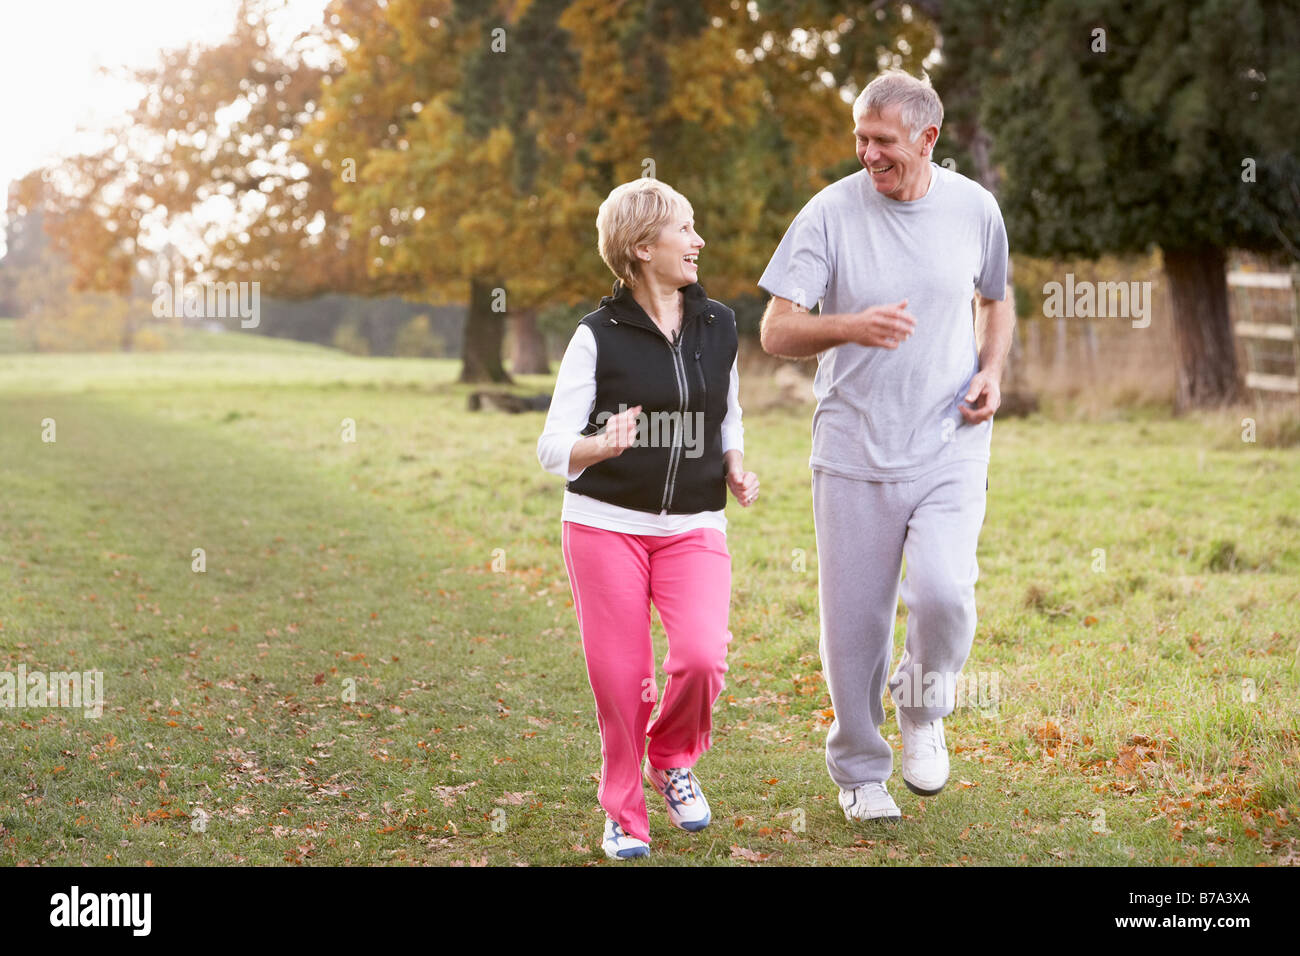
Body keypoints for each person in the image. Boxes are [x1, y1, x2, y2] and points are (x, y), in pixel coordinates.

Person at [757, 69, 1014, 822]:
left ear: (927, 139)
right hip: (854, 447)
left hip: (950, 440)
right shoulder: (829, 214)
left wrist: (992, 370)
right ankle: (861, 771)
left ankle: (922, 706)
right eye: (859, 138)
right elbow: (775, 329)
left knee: (945, 594)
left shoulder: (975, 208)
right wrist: (849, 325)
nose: (867, 154)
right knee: (855, 623)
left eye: (882, 140)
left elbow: (995, 299)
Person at [537, 178, 760, 860]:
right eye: (684, 229)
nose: (699, 241)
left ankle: (672, 758)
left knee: (700, 657)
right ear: (641, 248)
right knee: (620, 676)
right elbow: (552, 446)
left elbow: (729, 411)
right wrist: (602, 444)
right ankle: (623, 812)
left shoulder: (719, 323)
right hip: (604, 523)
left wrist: (733, 463)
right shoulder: (596, 336)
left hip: (694, 523)